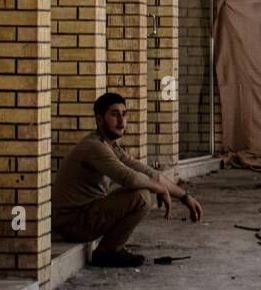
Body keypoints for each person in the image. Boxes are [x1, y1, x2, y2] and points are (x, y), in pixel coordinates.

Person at [53, 92, 203, 268]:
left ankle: (110, 249)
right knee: (141, 196)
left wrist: (184, 197)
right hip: (73, 224)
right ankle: (107, 252)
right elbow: (129, 178)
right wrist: (160, 189)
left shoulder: (110, 146)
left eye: (124, 114)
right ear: (100, 120)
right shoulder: (93, 146)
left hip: (85, 216)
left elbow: (149, 173)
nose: (121, 121)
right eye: (114, 114)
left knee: (145, 187)